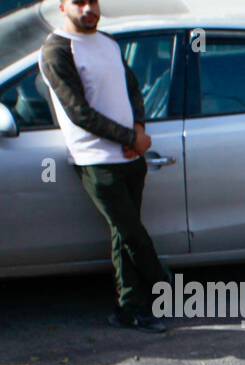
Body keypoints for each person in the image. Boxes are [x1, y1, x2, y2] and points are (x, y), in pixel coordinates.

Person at [40, 0, 169, 333]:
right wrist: (128, 137)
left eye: (93, 1)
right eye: (78, 2)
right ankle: (165, 286)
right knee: (132, 234)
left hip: (131, 157)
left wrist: (138, 130)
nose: (88, 9)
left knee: (122, 235)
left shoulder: (109, 43)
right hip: (96, 161)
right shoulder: (57, 51)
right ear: (62, 7)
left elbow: (132, 88)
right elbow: (78, 113)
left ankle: (130, 308)